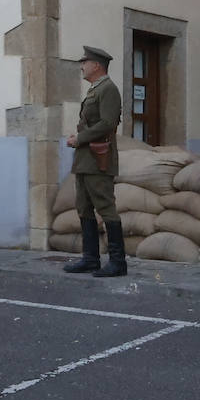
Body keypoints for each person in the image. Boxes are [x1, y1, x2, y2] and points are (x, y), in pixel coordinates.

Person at [63, 46, 125, 277]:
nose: (82, 66)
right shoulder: (95, 89)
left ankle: (118, 262)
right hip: (86, 159)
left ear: (96, 65)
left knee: (106, 208)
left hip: (99, 158)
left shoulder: (108, 89)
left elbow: (108, 123)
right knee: (84, 207)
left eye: (85, 62)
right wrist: (79, 138)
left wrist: (80, 138)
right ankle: (90, 259)